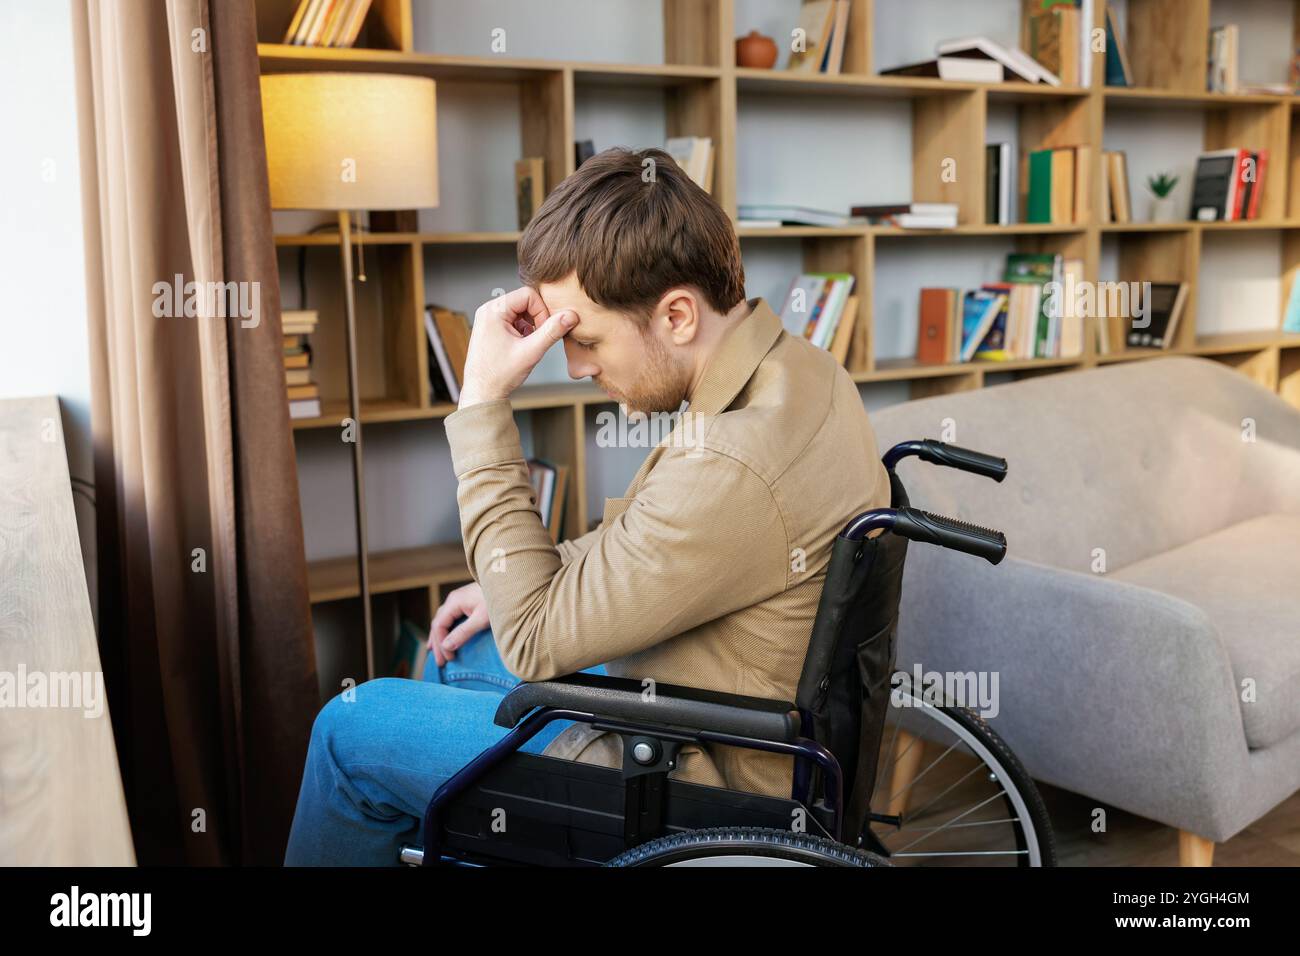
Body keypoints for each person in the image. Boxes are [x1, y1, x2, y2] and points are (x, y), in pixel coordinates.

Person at [284, 147, 890, 865]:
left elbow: (537, 638)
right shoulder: (802, 370)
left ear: (677, 315)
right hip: (719, 696)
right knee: (461, 649)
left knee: (349, 728)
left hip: (690, 767)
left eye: (587, 338)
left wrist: (481, 406)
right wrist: (513, 587)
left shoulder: (727, 463)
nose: (575, 367)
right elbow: (654, 547)